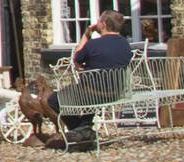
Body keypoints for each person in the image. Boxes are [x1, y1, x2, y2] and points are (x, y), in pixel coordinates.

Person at [47, 9, 132, 149]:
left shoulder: (93, 44)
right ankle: (84, 129)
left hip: (91, 92)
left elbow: (76, 58)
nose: (96, 23)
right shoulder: (125, 44)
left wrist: (87, 34)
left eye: (98, 21)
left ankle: (81, 129)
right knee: (87, 96)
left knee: (53, 100)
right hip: (116, 92)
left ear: (103, 24)